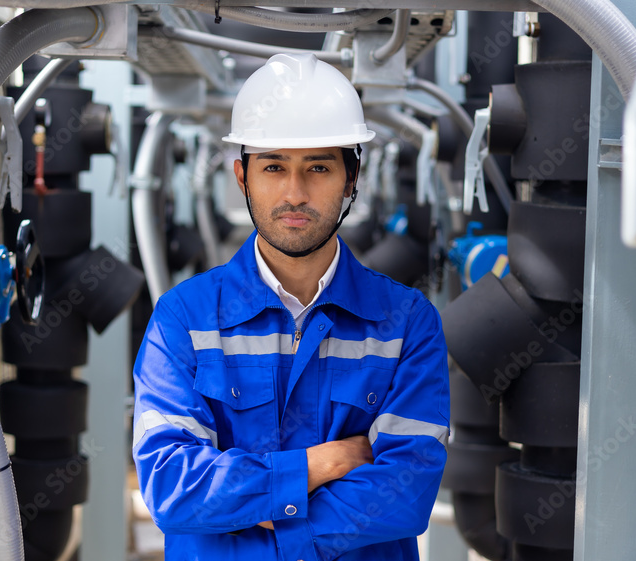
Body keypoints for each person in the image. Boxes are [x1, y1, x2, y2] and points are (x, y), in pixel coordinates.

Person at [132, 53, 450, 561]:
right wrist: (319, 466)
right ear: (242, 177)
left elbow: (403, 496)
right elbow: (174, 489)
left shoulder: (406, 323)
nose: (294, 193)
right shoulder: (184, 320)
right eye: (274, 166)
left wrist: (250, 517)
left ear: (351, 180)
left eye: (318, 167)